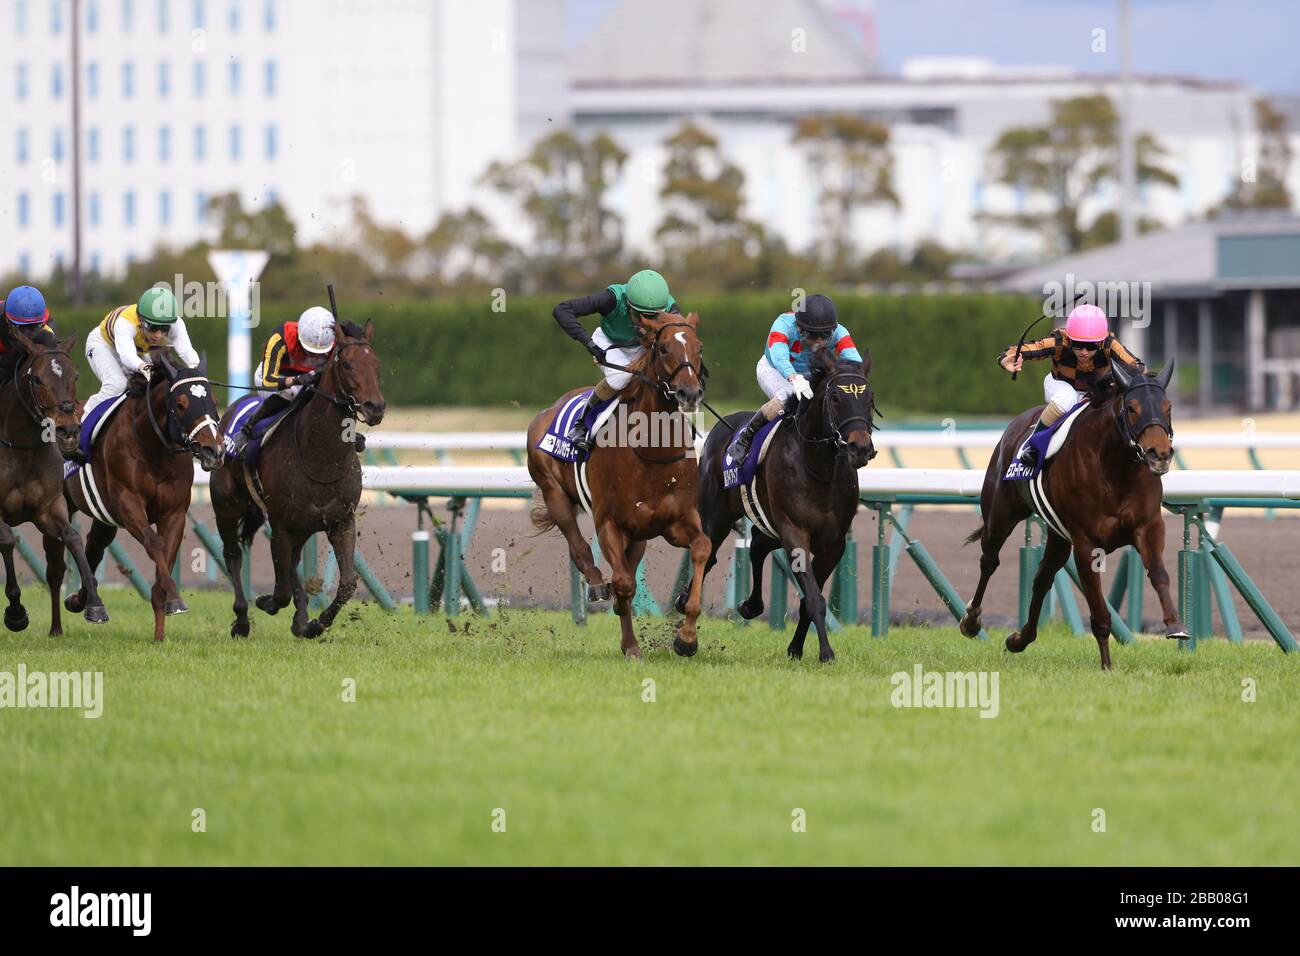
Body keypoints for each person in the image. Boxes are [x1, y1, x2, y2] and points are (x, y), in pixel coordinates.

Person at [998, 303, 1145, 470]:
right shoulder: (1060, 342)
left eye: (1091, 346)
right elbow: (1028, 349)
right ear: (1069, 338)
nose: (1083, 352)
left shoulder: (1109, 344)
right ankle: (1034, 446)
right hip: (1060, 384)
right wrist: (1007, 358)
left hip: (1093, 391)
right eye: (1077, 344)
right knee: (1067, 398)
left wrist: (1112, 379)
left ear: (1101, 341)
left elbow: (1138, 367)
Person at [552, 269, 680, 451]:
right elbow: (562, 310)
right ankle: (582, 423)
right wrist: (590, 345)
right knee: (620, 379)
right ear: (627, 304)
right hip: (610, 341)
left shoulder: (671, 308)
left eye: (653, 317)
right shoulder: (611, 299)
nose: (645, 323)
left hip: (642, 345)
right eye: (640, 315)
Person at [726, 294, 862, 463]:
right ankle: (745, 439)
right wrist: (794, 378)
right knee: (787, 395)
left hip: (811, 373)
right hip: (773, 369)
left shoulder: (839, 332)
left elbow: (855, 362)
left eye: (824, 335)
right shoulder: (783, 325)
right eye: (813, 335)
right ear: (799, 328)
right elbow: (779, 357)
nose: (819, 342)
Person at [228, 305, 346, 455]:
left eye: (320, 353)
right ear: (299, 337)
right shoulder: (279, 338)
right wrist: (297, 380)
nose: (315, 356)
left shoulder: (333, 341)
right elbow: (268, 379)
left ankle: (346, 432)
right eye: (309, 351)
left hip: (307, 379)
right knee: (291, 393)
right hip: (273, 377)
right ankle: (247, 428)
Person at [84, 286, 200, 416]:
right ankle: (84, 418)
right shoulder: (126, 322)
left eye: (164, 328)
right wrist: (142, 366)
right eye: (153, 327)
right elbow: (127, 355)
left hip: (137, 352)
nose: (158, 335)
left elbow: (187, 351)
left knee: (154, 384)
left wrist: (195, 369)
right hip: (103, 345)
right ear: (140, 319)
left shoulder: (176, 324)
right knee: (117, 383)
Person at [0, 285, 58, 387]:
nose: (27, 332)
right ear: (7, 320)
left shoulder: (46, 322)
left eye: (34, 326)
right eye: (21, 327)